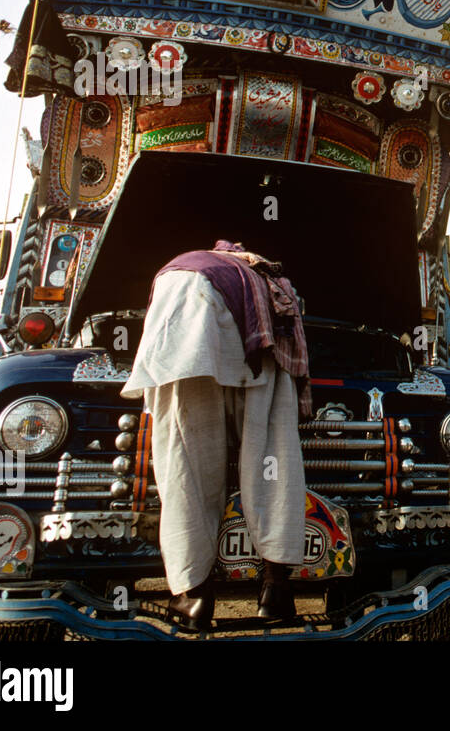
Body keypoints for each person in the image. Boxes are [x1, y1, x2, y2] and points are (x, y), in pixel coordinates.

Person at [120, 240, 310, 629]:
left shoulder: (182, 265)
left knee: (186, 464)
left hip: (185, 338)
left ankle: (194, 597)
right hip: (258, 352)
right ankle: (275, 591)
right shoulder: (266, 274)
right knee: (273, 462)